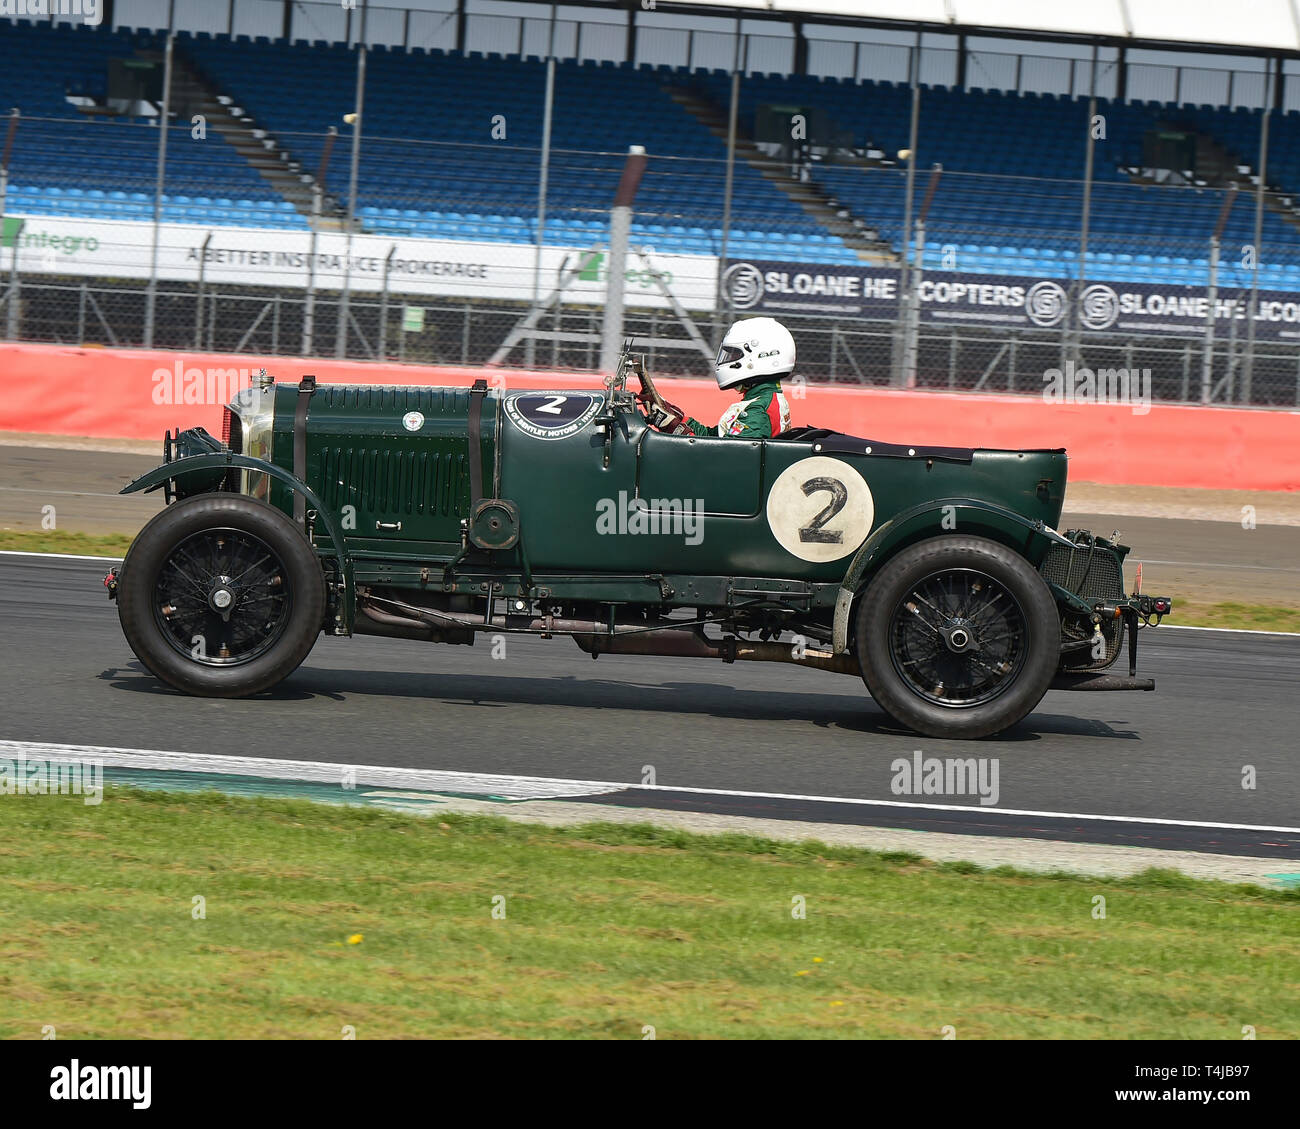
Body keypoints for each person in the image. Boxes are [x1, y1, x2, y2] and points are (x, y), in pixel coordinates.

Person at [648, 316, 794, 439]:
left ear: (760, 356)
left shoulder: (759, 411)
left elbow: (722, 456)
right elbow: (714, 437)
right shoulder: (762, 401)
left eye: (736, 355)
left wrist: (676, 428)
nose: (729, 360)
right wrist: (680, 421)